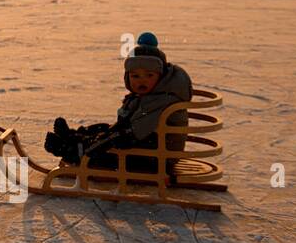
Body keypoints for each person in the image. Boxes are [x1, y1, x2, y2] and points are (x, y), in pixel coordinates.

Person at [44, 32, 193, 173]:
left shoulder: (161, 101)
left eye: (149, 75)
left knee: (108, 145)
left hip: (155, 159)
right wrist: (101, 134)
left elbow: (130, 134)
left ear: (160, 76)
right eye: (135, 76)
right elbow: (126, 125)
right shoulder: (151, 96)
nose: (142, 80)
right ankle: (73, 137)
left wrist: (97, 145)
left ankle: (71, 150)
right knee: (104, 129)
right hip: (147, 149)